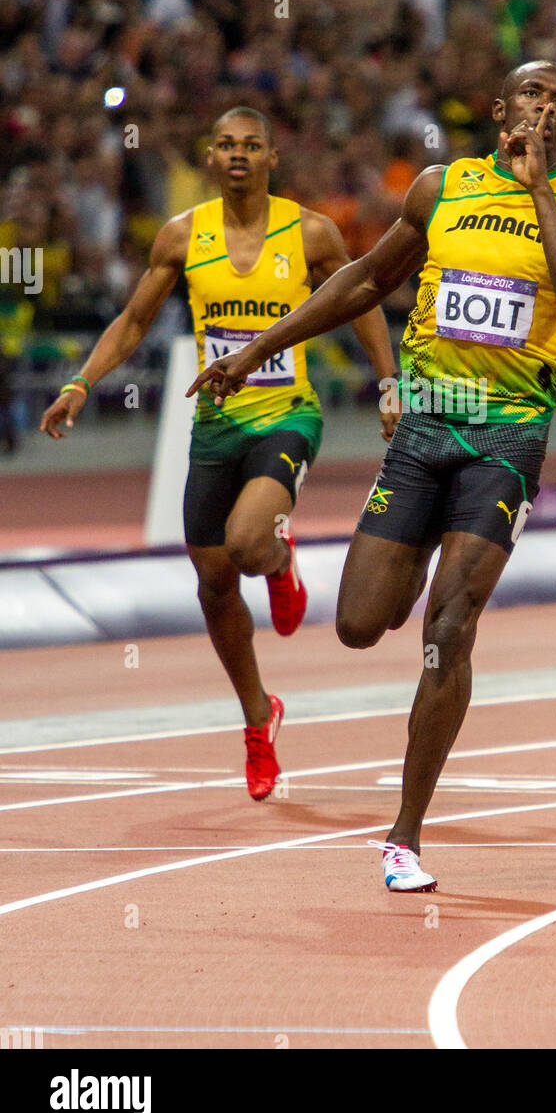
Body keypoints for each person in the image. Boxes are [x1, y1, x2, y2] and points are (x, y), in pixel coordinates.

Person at [188, 62, 556, 891]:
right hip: (425, 426)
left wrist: (540, 195)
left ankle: (405, 833)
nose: (546, 108)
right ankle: (424, 541)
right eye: (532, 95)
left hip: (507, 438)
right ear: (500, 110)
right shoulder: (441, 188)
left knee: (448, 629)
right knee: (361, 622)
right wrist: (258, 350)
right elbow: (364, 279)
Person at [40, 108, 397, 800]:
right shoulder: (183, 235)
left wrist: (390, 382)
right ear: (211, 158)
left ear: (271, 157)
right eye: (226, 145)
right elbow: (136, 319)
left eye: (252, 146)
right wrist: (83, 381)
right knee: (212, 583)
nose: (238, 155)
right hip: (215, 426)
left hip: (287, 415)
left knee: (243, 541)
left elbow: (362, 298)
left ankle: (281, 560)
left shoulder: (311, 231)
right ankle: (259, 719)